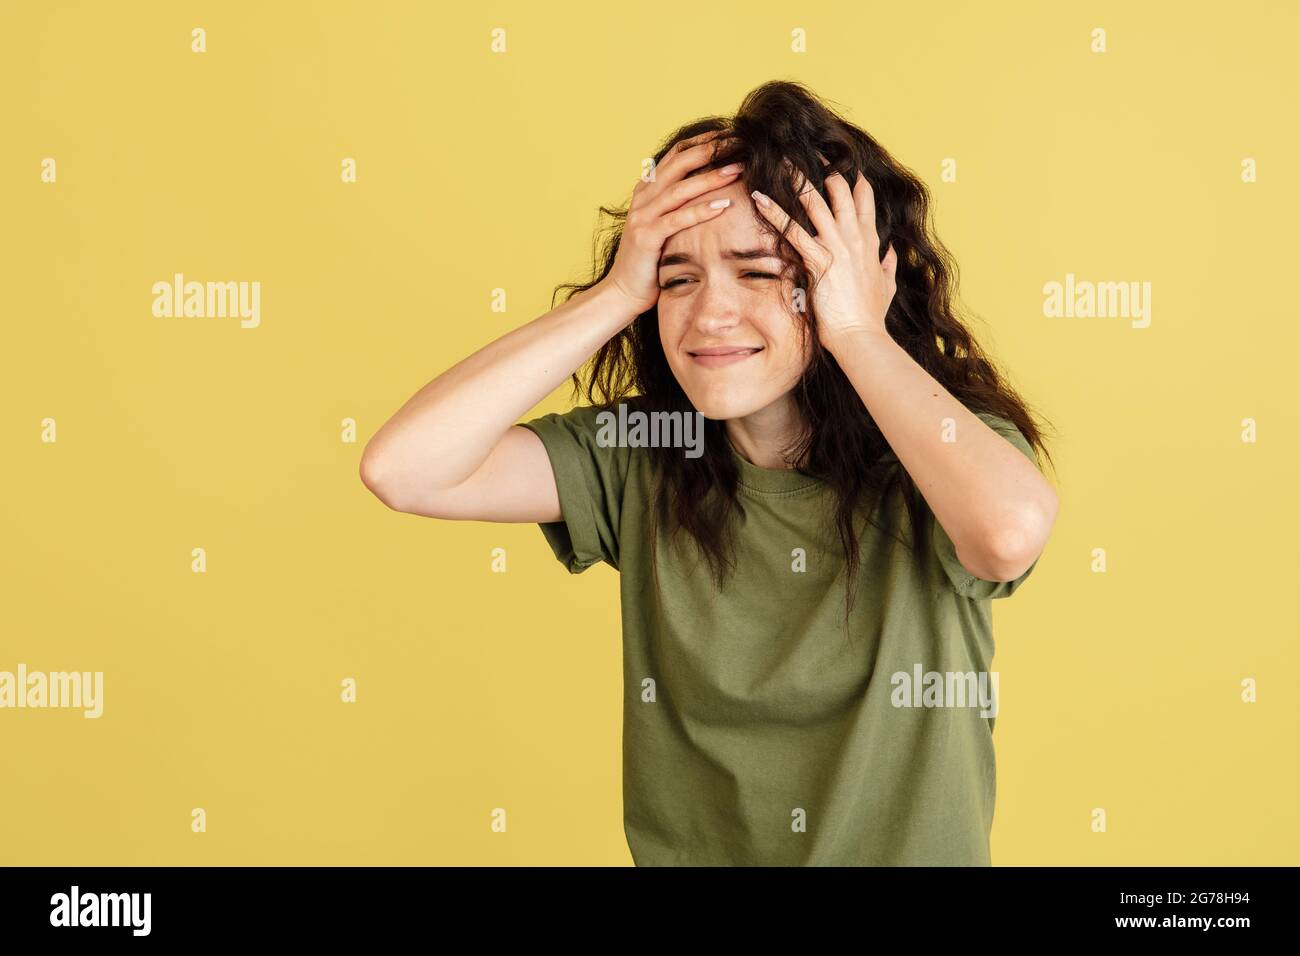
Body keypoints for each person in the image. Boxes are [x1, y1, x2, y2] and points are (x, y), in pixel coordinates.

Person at [360, 80, 1060, 866]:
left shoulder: (937, 452)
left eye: (759, 272)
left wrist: (860, 331)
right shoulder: (639, 455)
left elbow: (1007, 535)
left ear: (844, 283)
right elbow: (404, 469)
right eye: (678, 277)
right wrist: (617, 291)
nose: (709, 314)